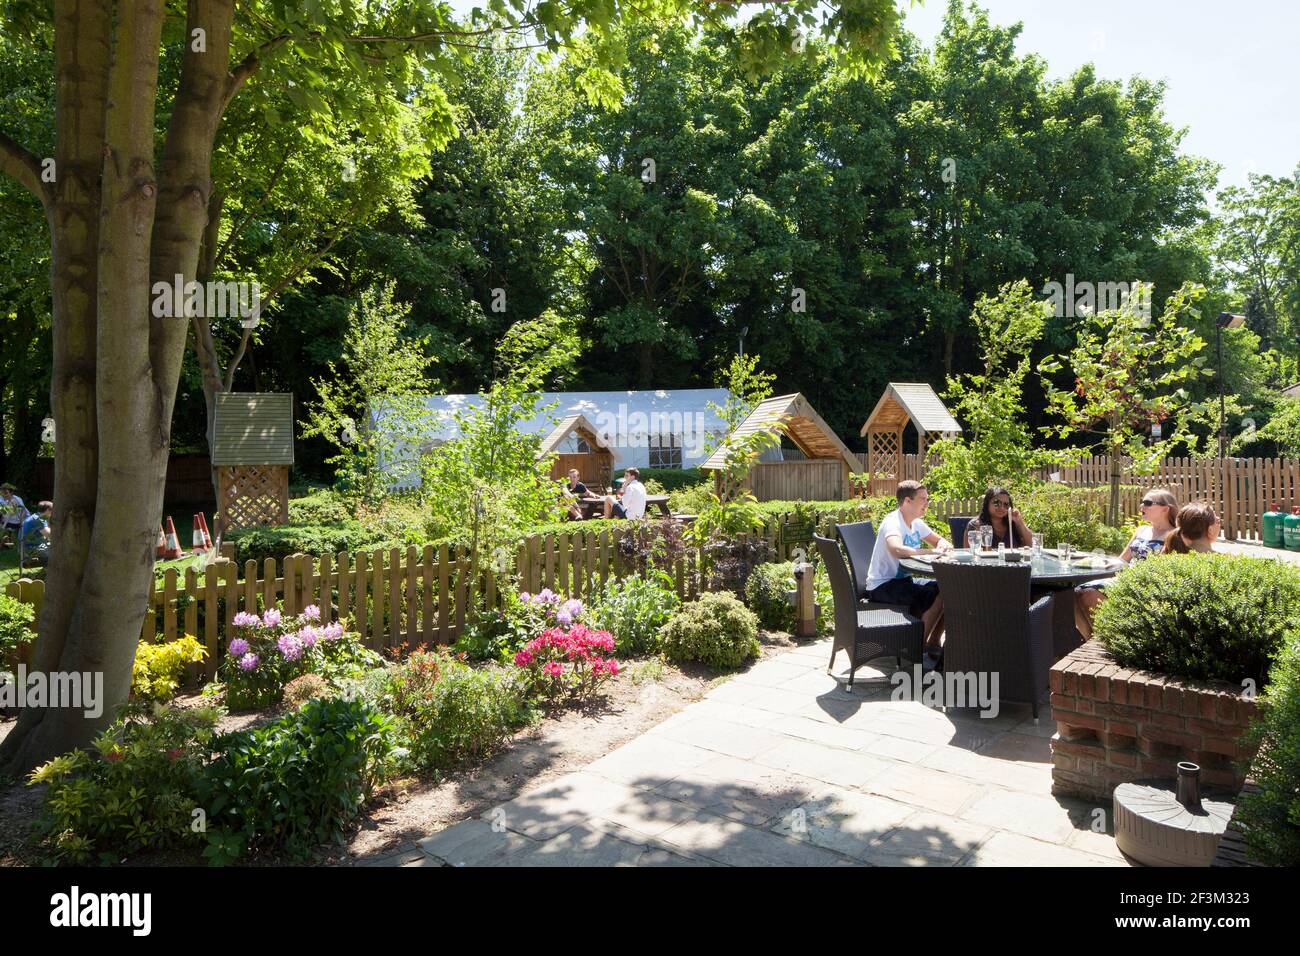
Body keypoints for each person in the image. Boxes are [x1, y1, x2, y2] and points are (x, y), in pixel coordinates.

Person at [864, 480, 952, 664]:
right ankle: (915, 649)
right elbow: (896, 549)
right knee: (936, 594)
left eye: (927, 498)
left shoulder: (916, 523)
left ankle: (933, 641)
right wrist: (931, 552)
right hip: (882, 585)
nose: (927, 503)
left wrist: (942, 545)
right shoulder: (893, 522)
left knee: (948, 588)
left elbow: (940, 541)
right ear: (907, 501)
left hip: (904, 582)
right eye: (922, 499)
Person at [1074, 488, 1179, 640]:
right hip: (1125, 577)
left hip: (1145, 582)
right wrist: (1098, 561)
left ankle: (1107, 639)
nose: (1142, 506)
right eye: (1142, 502)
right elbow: (1122, 560)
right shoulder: (1142, 530)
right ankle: (1094, 640)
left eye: (1148, 503)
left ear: (1165, 508)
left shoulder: (1173, 535)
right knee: (1076, 590)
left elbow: (1165, 569)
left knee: (1088, 593)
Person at [964, 486, 1034, 549]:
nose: (1002, 508)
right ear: (987, 503)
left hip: (1013, 562)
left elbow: (1030, 544)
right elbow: (968, 552)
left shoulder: (1013, 523)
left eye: (1006, 504)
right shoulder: (976, 524)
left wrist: (1019, 522)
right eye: (997, 503)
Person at [20, 499, 52, 565]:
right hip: (29, 549)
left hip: (27, 546)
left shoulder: (36, 516)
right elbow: (50, 535)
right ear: (48, 510)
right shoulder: (38, 520)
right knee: (56, 553)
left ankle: (47, 572)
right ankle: (49, 573)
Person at [1, 483, 27, 548]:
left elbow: (10, 514)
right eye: (3, 493)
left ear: (11, 493)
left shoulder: (14, 501)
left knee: (1, 526)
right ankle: (7, 543)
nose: (4, 495)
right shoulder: (9, 500)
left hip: (15, 522)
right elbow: (6, 512)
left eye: (6, 493)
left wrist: (4, 525)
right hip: (13, 520)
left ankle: (3, 544)